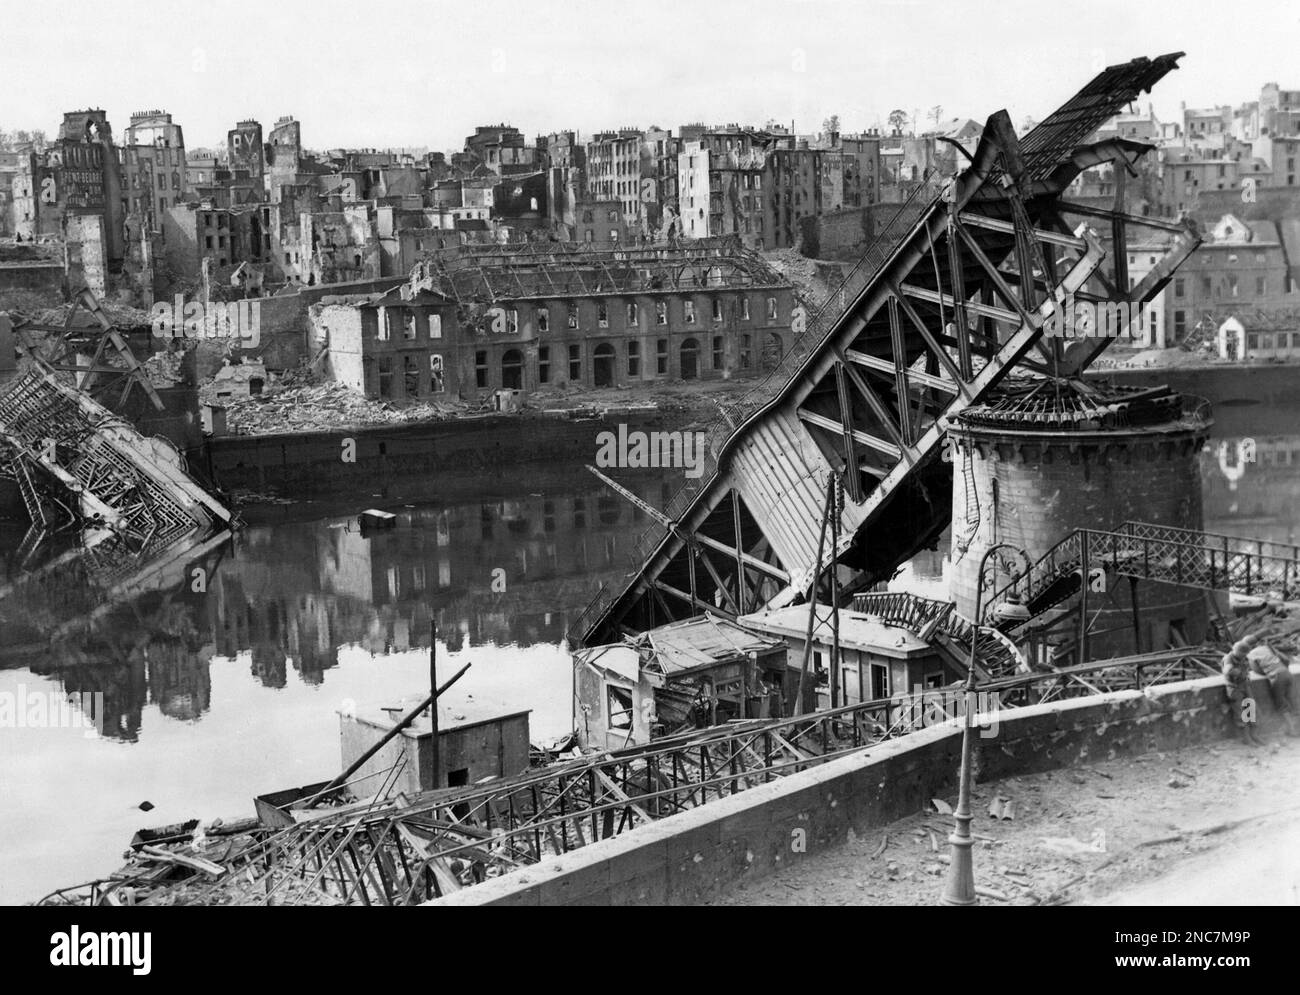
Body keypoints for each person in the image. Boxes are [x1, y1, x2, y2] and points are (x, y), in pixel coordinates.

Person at [1243, 633, 1300, 737]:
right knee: (1294, 701)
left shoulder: (1251, 654)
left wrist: (1269, 672)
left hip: (1277, 678)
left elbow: (1256, 670)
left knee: (1281, 705)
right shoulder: (1267, 647)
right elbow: (1286, 659)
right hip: (1287, 673)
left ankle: (1292, 730)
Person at [1222, 639, 1263, 746]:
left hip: (1245, 685)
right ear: (1237, 651)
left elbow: (1247, 669)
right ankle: (1246, 738)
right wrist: (1238, 672)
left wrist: (1246, 675)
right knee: (1240, 714)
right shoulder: (1229, 658)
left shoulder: (1243, 658)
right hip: (1234, 688)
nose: (1244, 656)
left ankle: (1254, 735)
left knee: (1251, 709)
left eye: (1245, 654)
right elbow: (1227, 671)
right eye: (1242, 653)